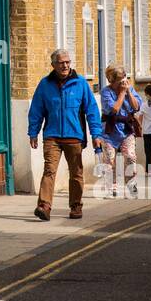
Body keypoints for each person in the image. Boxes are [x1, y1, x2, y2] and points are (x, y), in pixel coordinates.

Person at [29, 48, 103, 220]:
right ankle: (44, 206)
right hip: (52, 136)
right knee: (49, 170)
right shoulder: (45, 84)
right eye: (61, 62)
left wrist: (96, 134)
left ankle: (76, 206)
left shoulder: (80, 83)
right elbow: (36, 110)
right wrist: (33, 132)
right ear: (53, 65)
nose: (65, 65)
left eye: (68, 62)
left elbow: (91, 110)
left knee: (76, 173)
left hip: (74, 136)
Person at [100, 64, 142, 196]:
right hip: (109, 130)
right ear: (112, 80)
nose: (124, 81)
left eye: (124, 77)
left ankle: (131, 183)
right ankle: (111, 187)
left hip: (126, 129)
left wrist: (128, 92)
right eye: (120, 79)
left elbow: (136, 107)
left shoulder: (129, 89)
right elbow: (113, 109)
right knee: (109, 159)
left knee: (130, 156)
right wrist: (122, 93)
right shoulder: (106, 92)